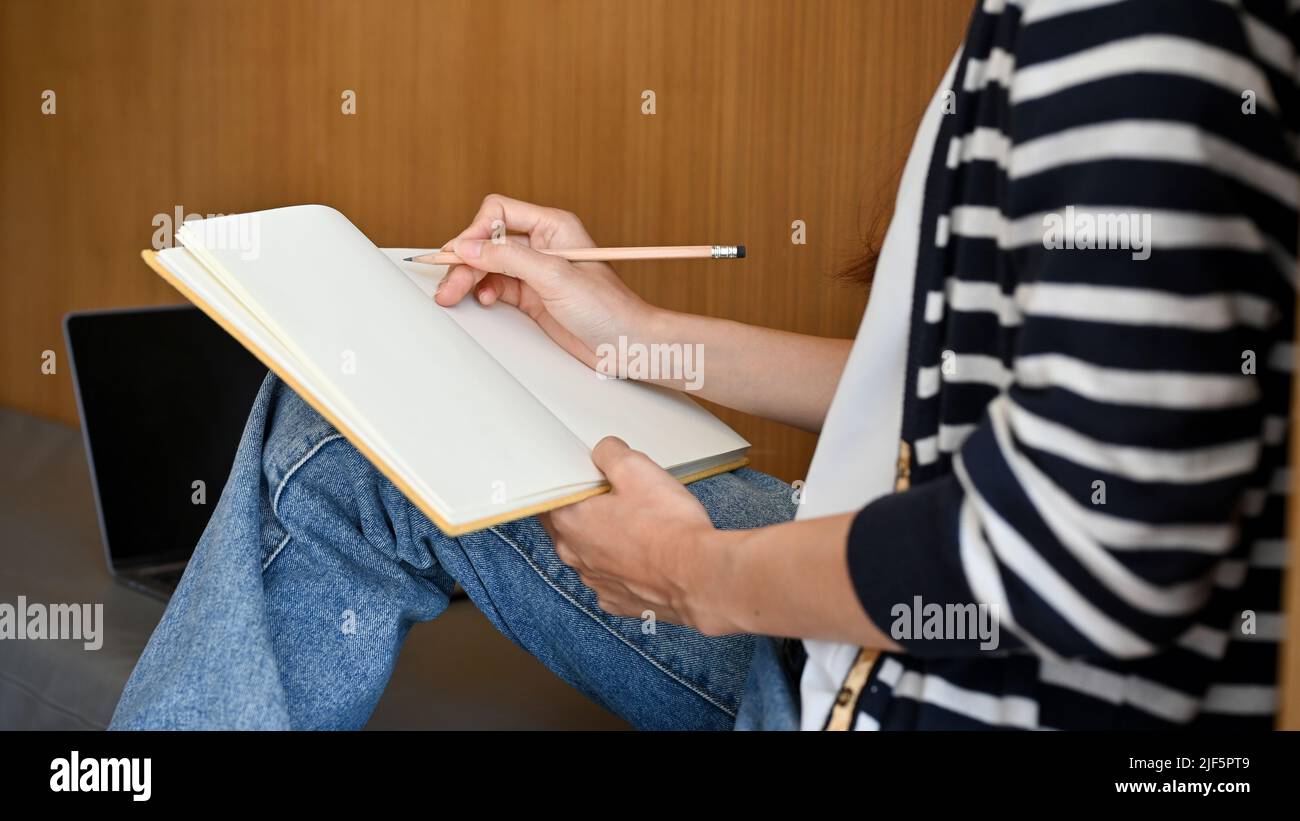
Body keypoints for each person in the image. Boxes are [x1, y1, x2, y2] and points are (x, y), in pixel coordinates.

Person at [112, 0, 1295, 730]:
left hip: (905, 689)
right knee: (344, 439)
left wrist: (693, 571)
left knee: (331, 443)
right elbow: (971, 394)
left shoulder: (1130, 22)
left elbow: (1091, 538)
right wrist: (636, 335)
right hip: (896, 618)